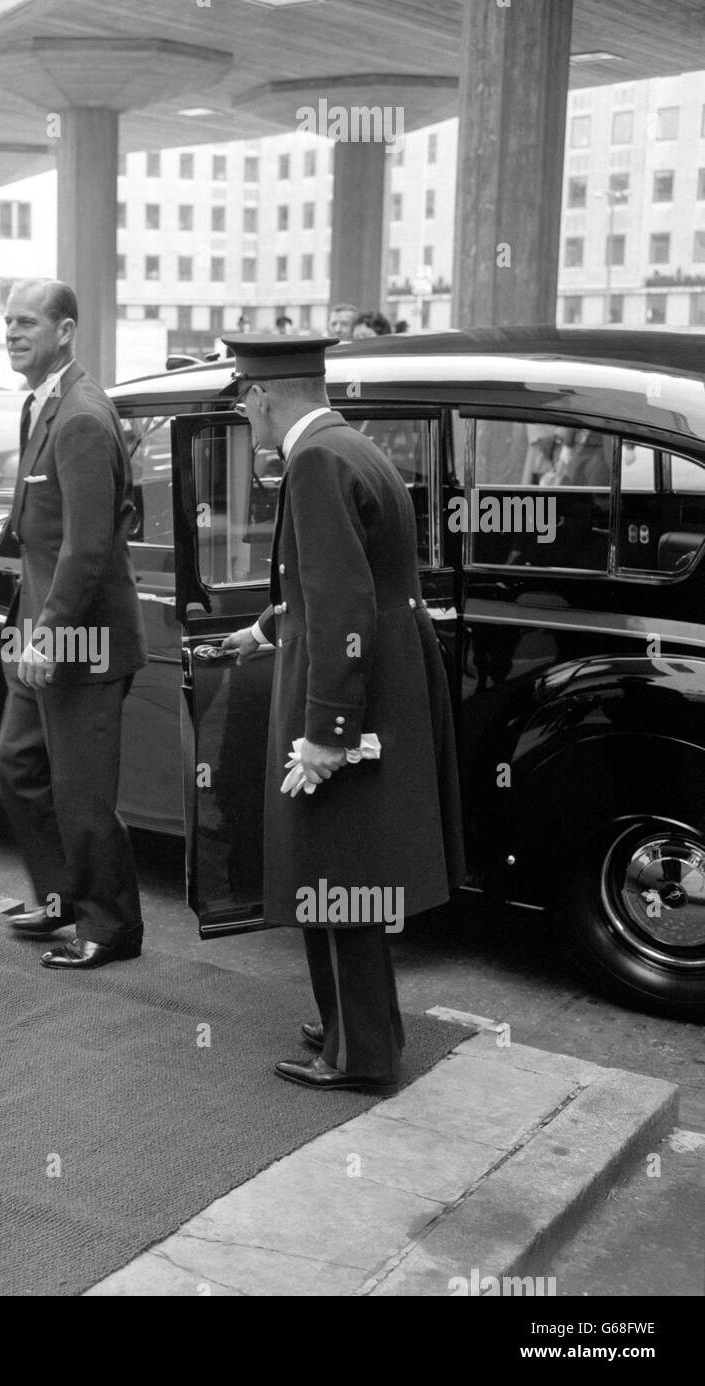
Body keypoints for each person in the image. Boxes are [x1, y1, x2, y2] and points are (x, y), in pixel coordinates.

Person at [221, 335, 464, 1093]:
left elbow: (342, 605)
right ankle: (360, 1027)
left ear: (264, 396)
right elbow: (334, 584)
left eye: (243, 399)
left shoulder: (315, 461)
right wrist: (265, 628)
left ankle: (360, 1056)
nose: (243, 414)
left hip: (351, 699)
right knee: (345, 865)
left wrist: (328, 733)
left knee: (336, 868)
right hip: (383, 680)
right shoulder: (347, 444)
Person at [0, 278, 147, 970]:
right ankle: (60, 896)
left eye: (28, 322)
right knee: (17, 762)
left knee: (83, 794)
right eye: (8, 323)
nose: (14, 333)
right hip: (46, 633)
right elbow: (45, 527)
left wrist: (49, 634)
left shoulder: (82, 414)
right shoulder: (45, 405)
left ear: (66, 330)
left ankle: (111, 927)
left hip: (80, 642)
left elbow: (89, 547)